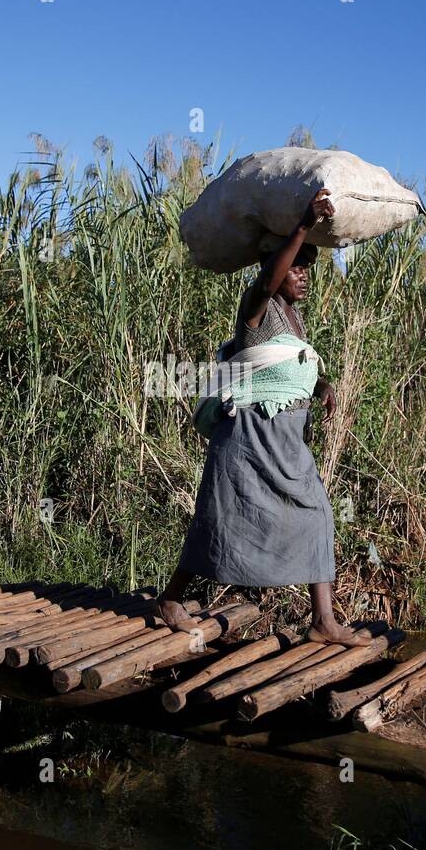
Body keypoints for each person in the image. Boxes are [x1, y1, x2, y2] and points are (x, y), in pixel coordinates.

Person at [156, 189, 372, 647]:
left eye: (307, 268)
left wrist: (322, 385)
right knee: (219, 518)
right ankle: (172, 598)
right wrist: (302, 225)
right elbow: (269, 284)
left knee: (316, 514)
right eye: (296, 267)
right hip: (249, 434)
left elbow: (291, 363)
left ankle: (323, 621)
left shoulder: (294, 320)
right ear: (273, 268)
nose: (303, 275)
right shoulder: (257, 304)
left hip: (287, 438)